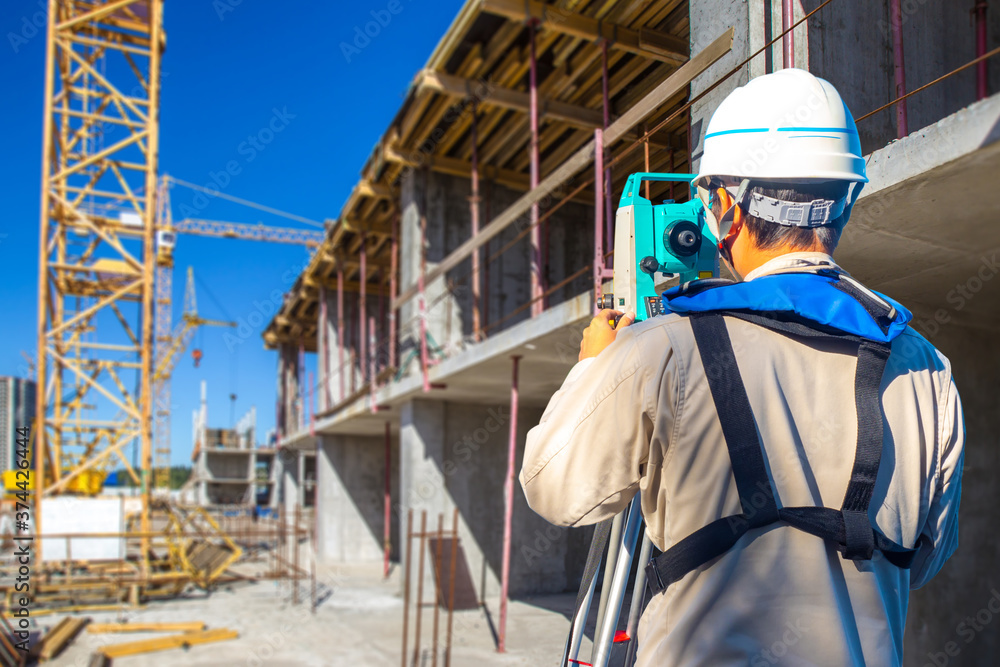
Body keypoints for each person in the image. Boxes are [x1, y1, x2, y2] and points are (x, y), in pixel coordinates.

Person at [519, 69, 964, 666]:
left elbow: (552, 487)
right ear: (844, 201)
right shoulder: (927, 370)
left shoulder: (664, 350)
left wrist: (595, 367)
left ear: (726, 205)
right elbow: (926, 555)